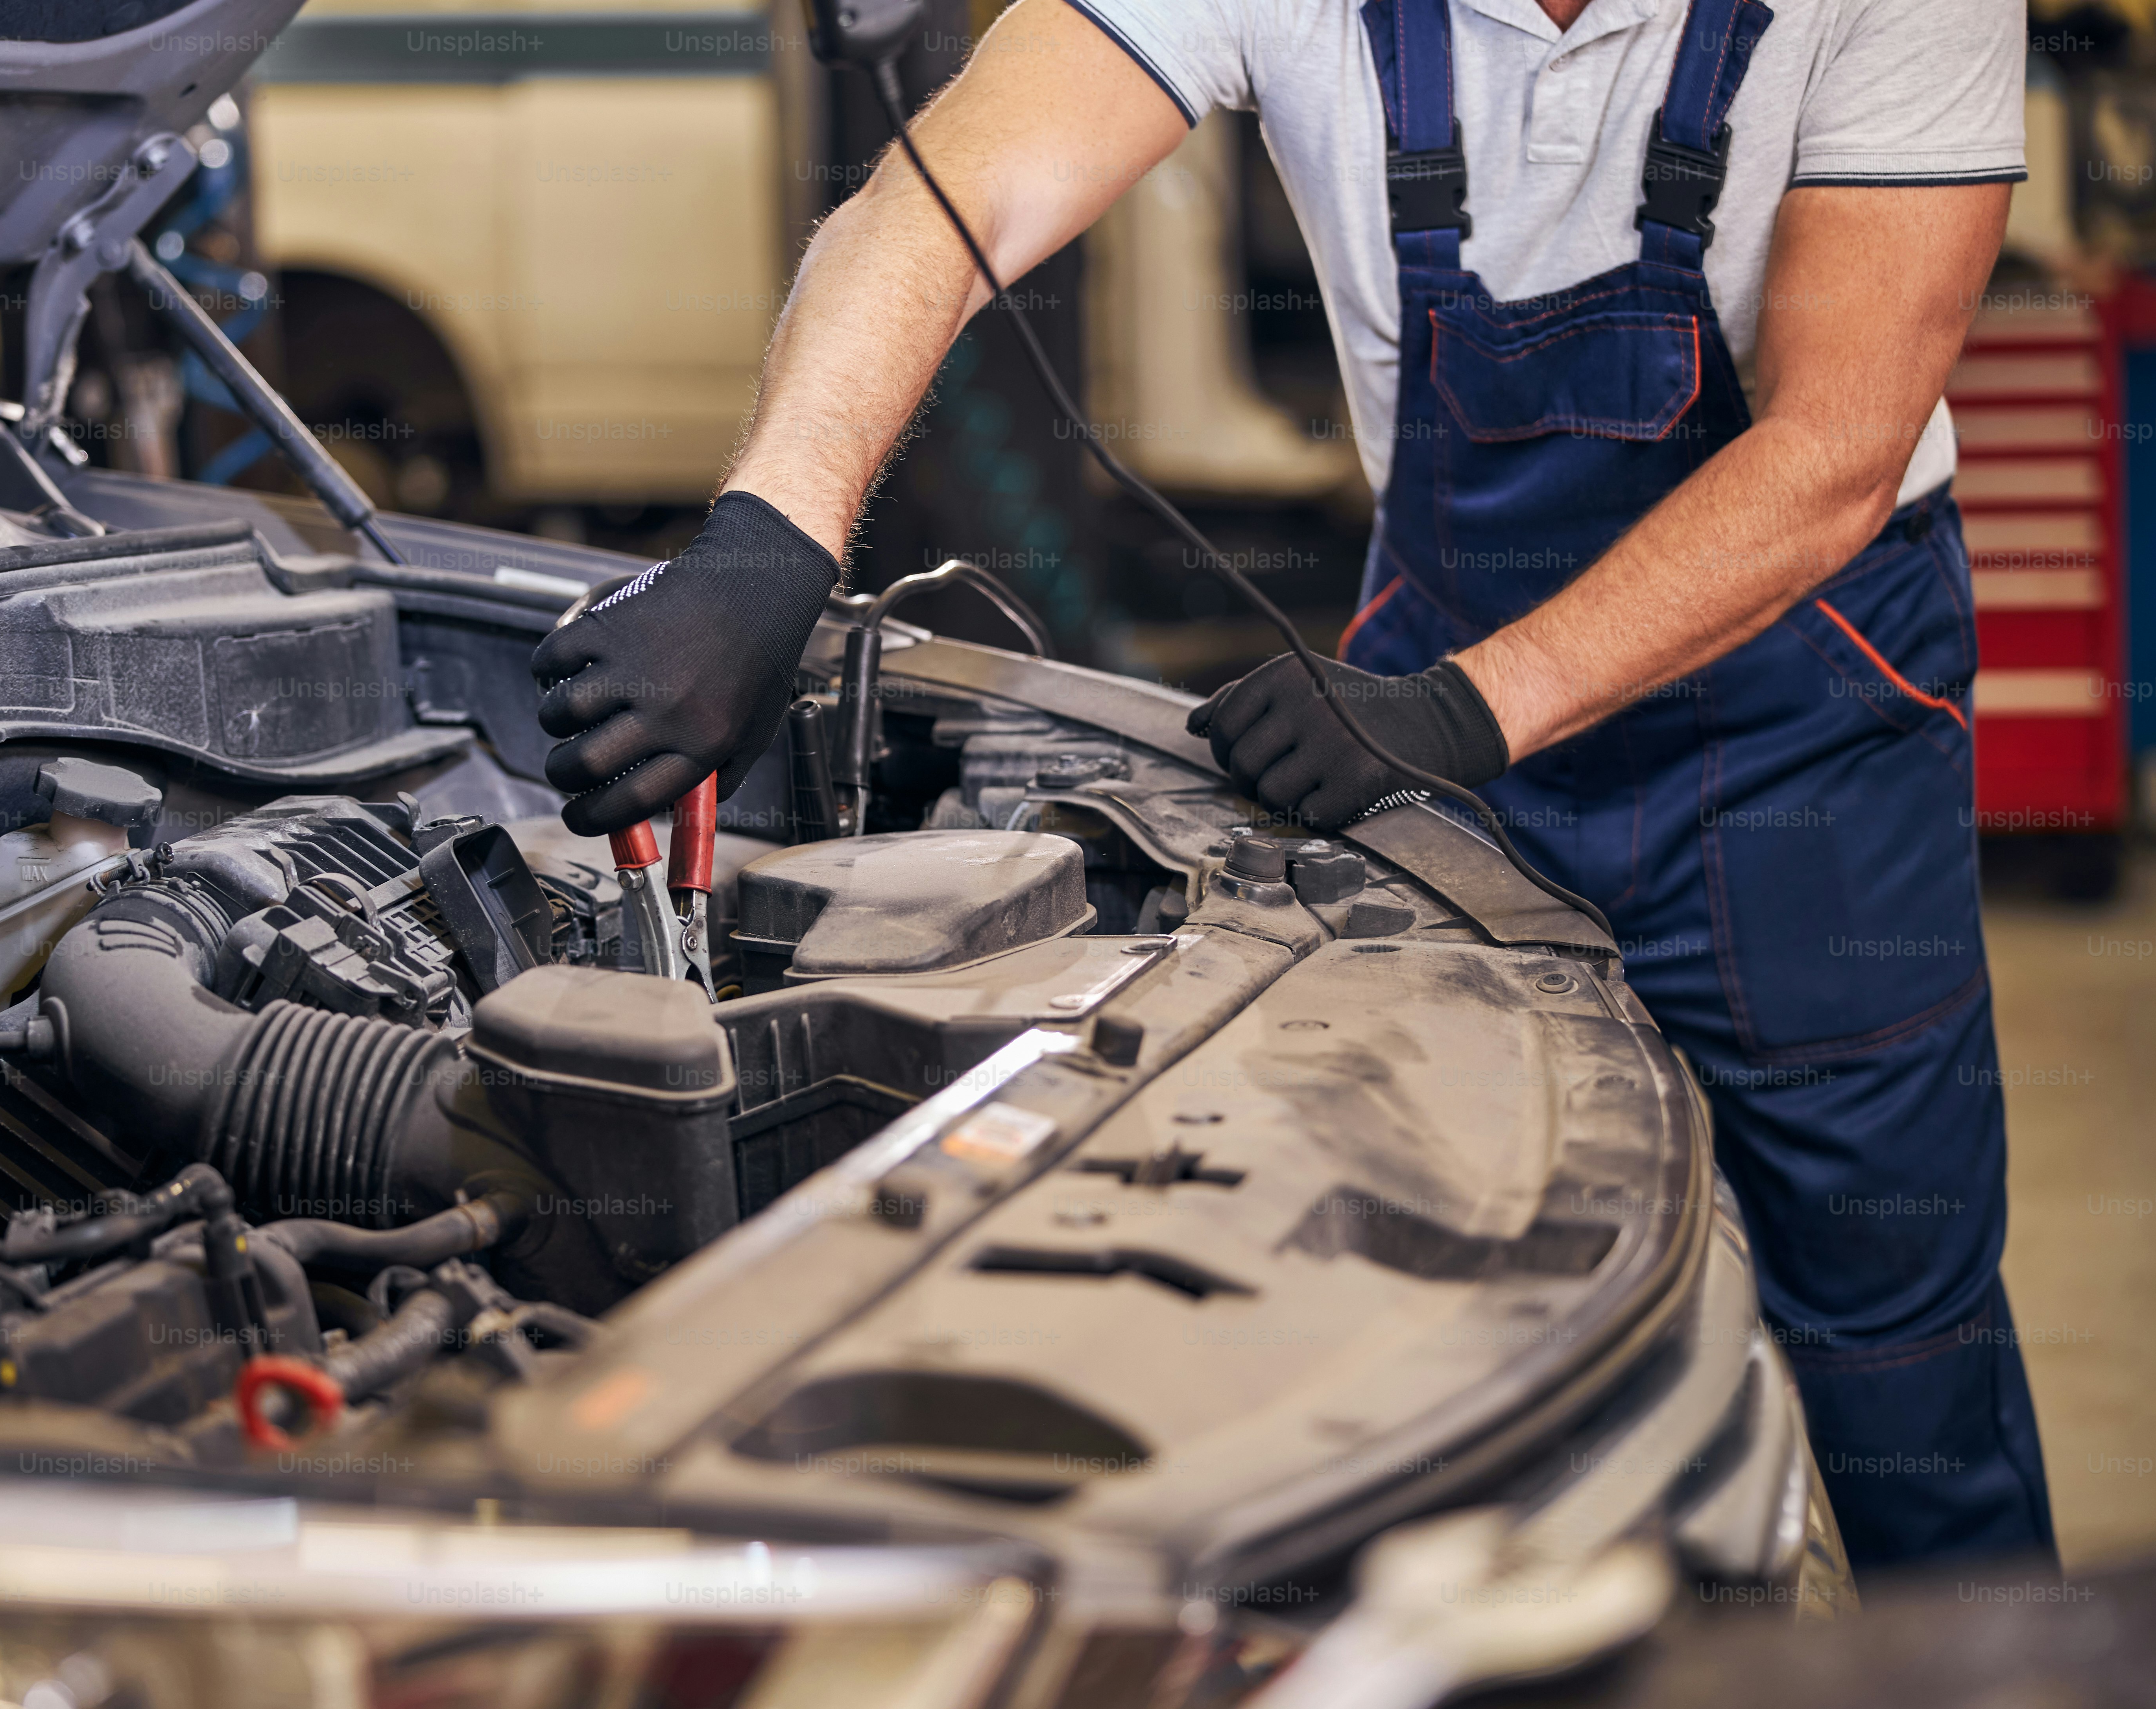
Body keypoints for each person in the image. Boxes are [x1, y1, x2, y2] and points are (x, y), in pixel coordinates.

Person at [527, 0, 2054, 1569]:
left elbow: (1834, 446)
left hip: (1795, 743)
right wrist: (768, 540)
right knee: (1428, 1301)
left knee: (1891, 1350)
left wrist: (1466, 710)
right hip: (1436, 695)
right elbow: (946, 191)